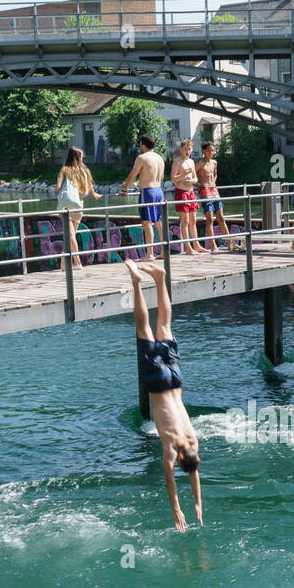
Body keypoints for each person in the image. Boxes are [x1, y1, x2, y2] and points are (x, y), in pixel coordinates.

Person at [124, 259, 202, 532]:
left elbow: (195, 471)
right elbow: (171, 480)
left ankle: (159, 279)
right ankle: (136, 283)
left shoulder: (193, 442)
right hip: (157, 383)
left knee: (164, 327)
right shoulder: (171, 448)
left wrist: (198, 503)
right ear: (180, 459)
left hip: (175, 379)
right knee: (143, 330)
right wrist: (177, 509)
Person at [119, 134, 166, 260]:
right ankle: (163, 251)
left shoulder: (142, 158)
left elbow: (133, 175)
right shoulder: (159, 158)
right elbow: (161, 178)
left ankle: (150, 254)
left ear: (143, 145)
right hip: (159, 190)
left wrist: (124, 189)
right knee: (158, 222)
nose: (140, 146)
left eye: (140, 144)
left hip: (148, 191)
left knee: (147, 223)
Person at [196, 141, 241, 252]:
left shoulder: (214, 162)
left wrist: (214, 183)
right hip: (205, 192)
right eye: (209, 151)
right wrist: (198, 185)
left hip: (214, 191)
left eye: (212, 150)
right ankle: (213, 245)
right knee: (210, 218)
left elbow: (215, 174)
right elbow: (191, 175)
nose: (211, 152)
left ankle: (230, 242)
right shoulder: (200, 164)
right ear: (203, 151)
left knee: (221, 217)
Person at [55, 146, 98, 261]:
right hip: (78, 205)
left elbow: (57, 188)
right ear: (78, 158)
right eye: (81, 157)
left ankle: (76, 262)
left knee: (70, 235)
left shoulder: (64, 169)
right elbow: (91, 188)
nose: (82, 159)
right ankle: (70, 260)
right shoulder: (85, 171)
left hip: (66, 205)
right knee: (72, 234)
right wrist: (95, 195)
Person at [170, 138, 206, 255]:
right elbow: (173, 179)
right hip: (181, 192)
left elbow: (196, 178)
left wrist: (192, 180)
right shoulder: (177, 162)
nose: (187, 151)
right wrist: (183, 174)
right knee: (184, 221)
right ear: (181, 149)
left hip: (191, 192)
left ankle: (196, 245)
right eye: (185, 149)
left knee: (193, 220)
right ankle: (188, 247)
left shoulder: (191, 162)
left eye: (189, 149)